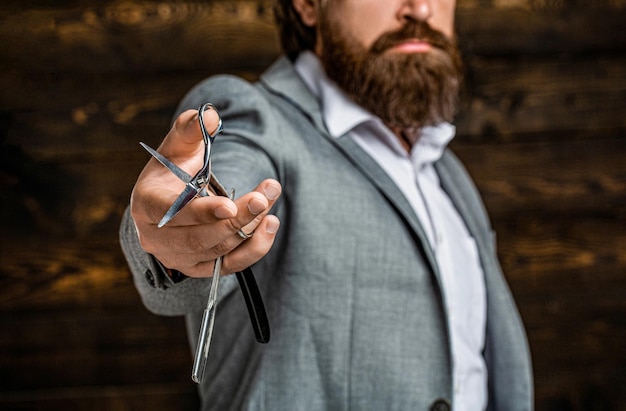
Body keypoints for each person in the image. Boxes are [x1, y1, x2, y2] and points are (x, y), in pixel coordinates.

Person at [120, 0, 533, 409]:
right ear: (308, 6)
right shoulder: (253, 118)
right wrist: (176, 233)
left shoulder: (446, 171)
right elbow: (218, 179)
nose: (421, 9)